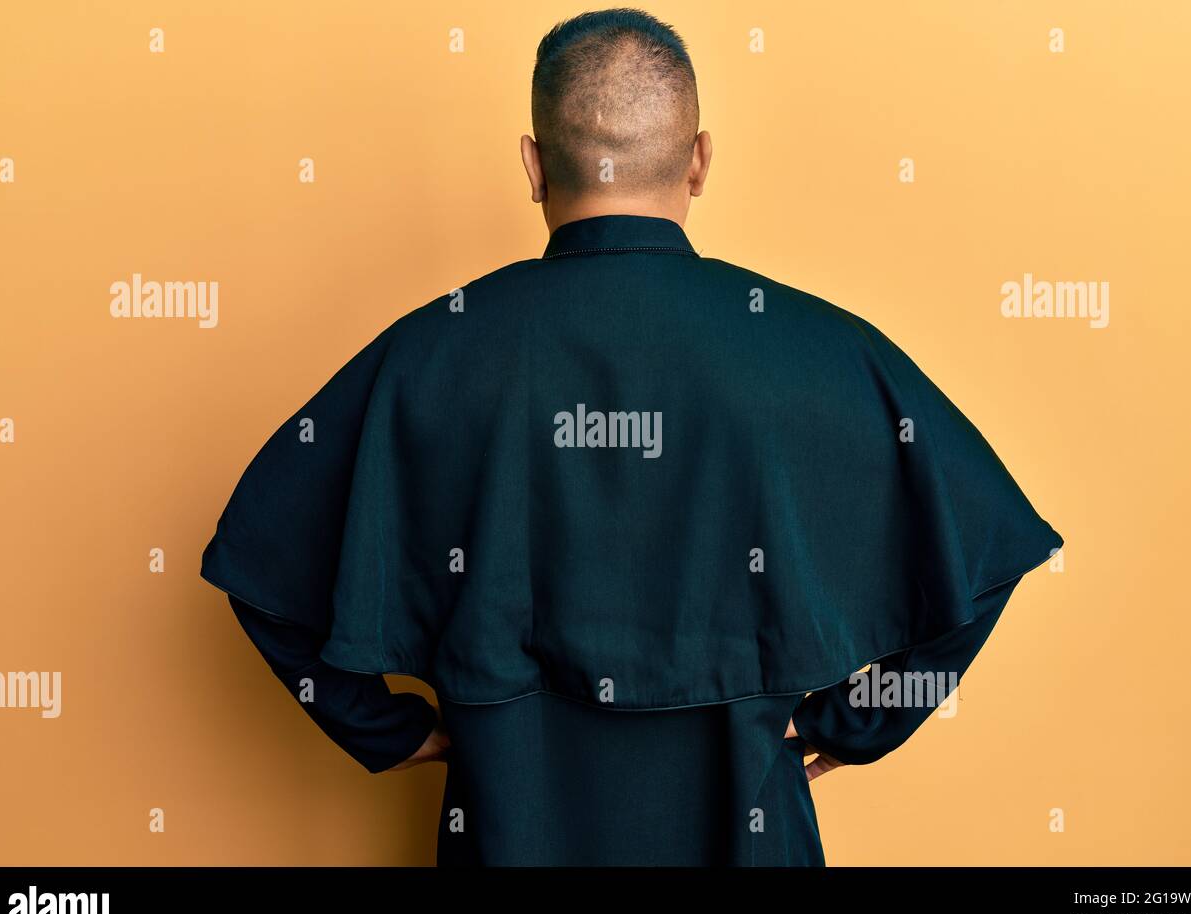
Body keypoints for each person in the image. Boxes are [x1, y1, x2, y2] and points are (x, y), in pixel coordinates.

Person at [200, 7, 1063, 866]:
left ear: (534, 168)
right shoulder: (821, 350)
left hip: (507, 835)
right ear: (699, 161)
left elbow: (257, 564)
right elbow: (988, 553)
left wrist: (392, 731)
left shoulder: (429, 354)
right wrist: (857, 720)